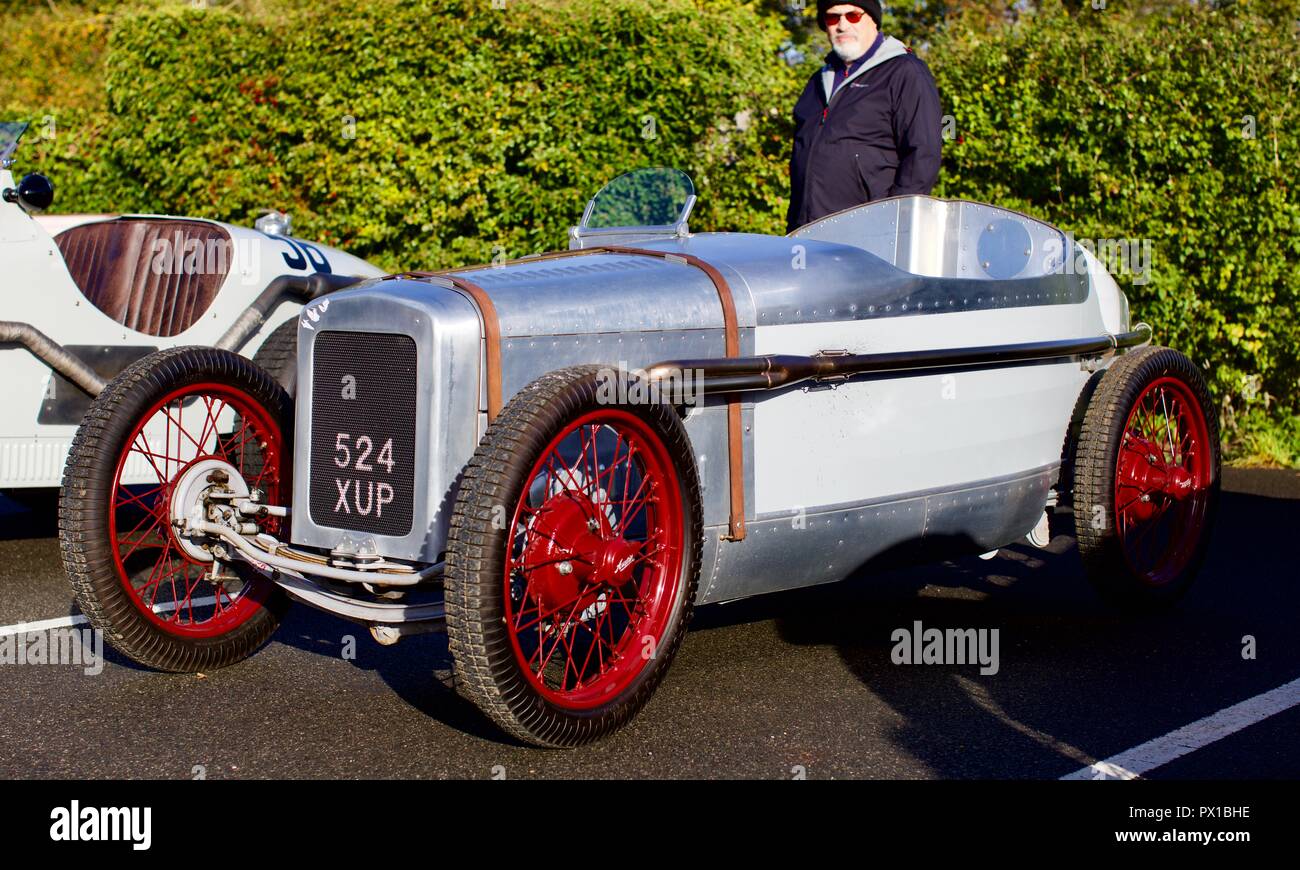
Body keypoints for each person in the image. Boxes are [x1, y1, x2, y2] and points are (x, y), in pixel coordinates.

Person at [786, 1, 942, 232]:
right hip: (807, 236)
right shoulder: (817, 81)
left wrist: (892, 227)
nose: (842, 25)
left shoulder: (904, 72)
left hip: (867, 238)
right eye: (832, 18)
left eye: (852, 16)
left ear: (873, 19)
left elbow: (922, 156)